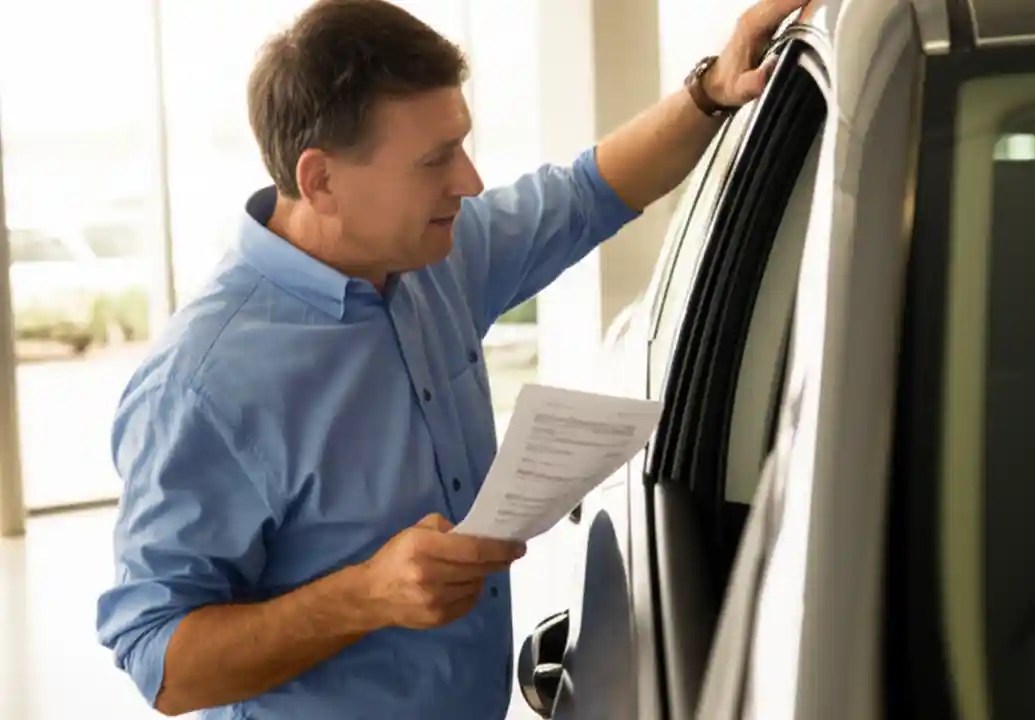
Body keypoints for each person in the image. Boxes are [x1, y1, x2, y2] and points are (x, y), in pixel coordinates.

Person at [95, 0, 804, 717]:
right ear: (321, 181)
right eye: (435, 160)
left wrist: (710, 90)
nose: (467, 181)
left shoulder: (433, 257)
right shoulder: (202, 385)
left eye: (461, 144)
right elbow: (163, 664)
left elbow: (590, 192)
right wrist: (365, 596)